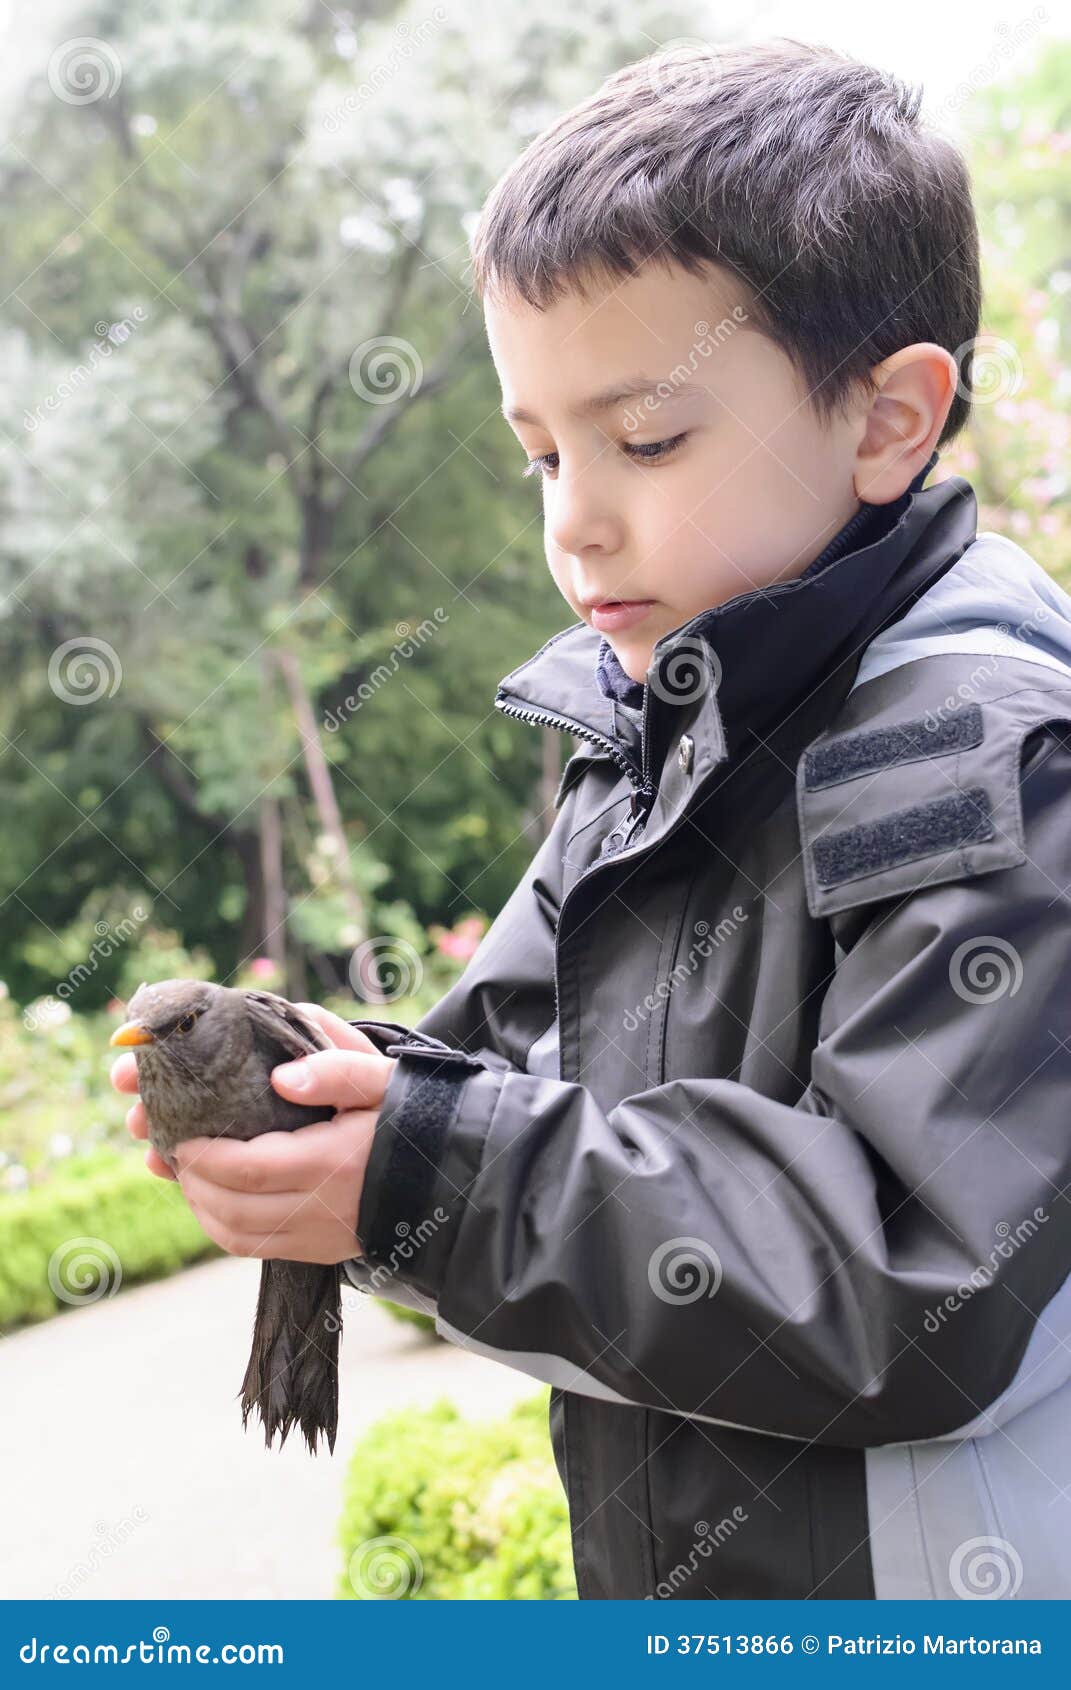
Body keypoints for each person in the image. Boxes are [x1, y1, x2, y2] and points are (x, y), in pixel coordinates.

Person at [112, 39, 1071, 1600]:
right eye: (543, 453)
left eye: (649, 440)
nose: (575, 521)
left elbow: (916, 1265)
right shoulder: (649, 738)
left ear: (890, 417)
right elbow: (487, 1070)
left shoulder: (980, 754)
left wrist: (428, 1173)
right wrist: (292, 1083)